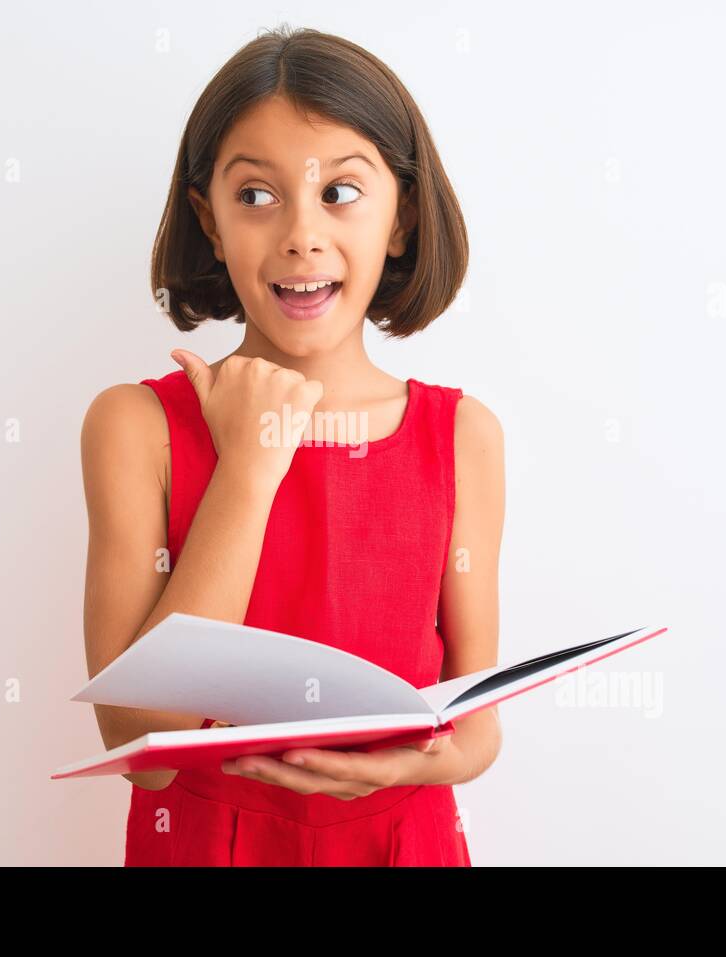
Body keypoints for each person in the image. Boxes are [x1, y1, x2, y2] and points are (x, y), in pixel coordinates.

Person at [80, 25, 505, 866]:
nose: (301, 235)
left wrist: (408, 762)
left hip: (403, 837)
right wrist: (250, 463)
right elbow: (141, 742)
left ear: (402, 215)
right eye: (257, 196)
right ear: (208, 218)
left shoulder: (462, 436)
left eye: (341, 192)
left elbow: (477, 726)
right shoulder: (135, 426)